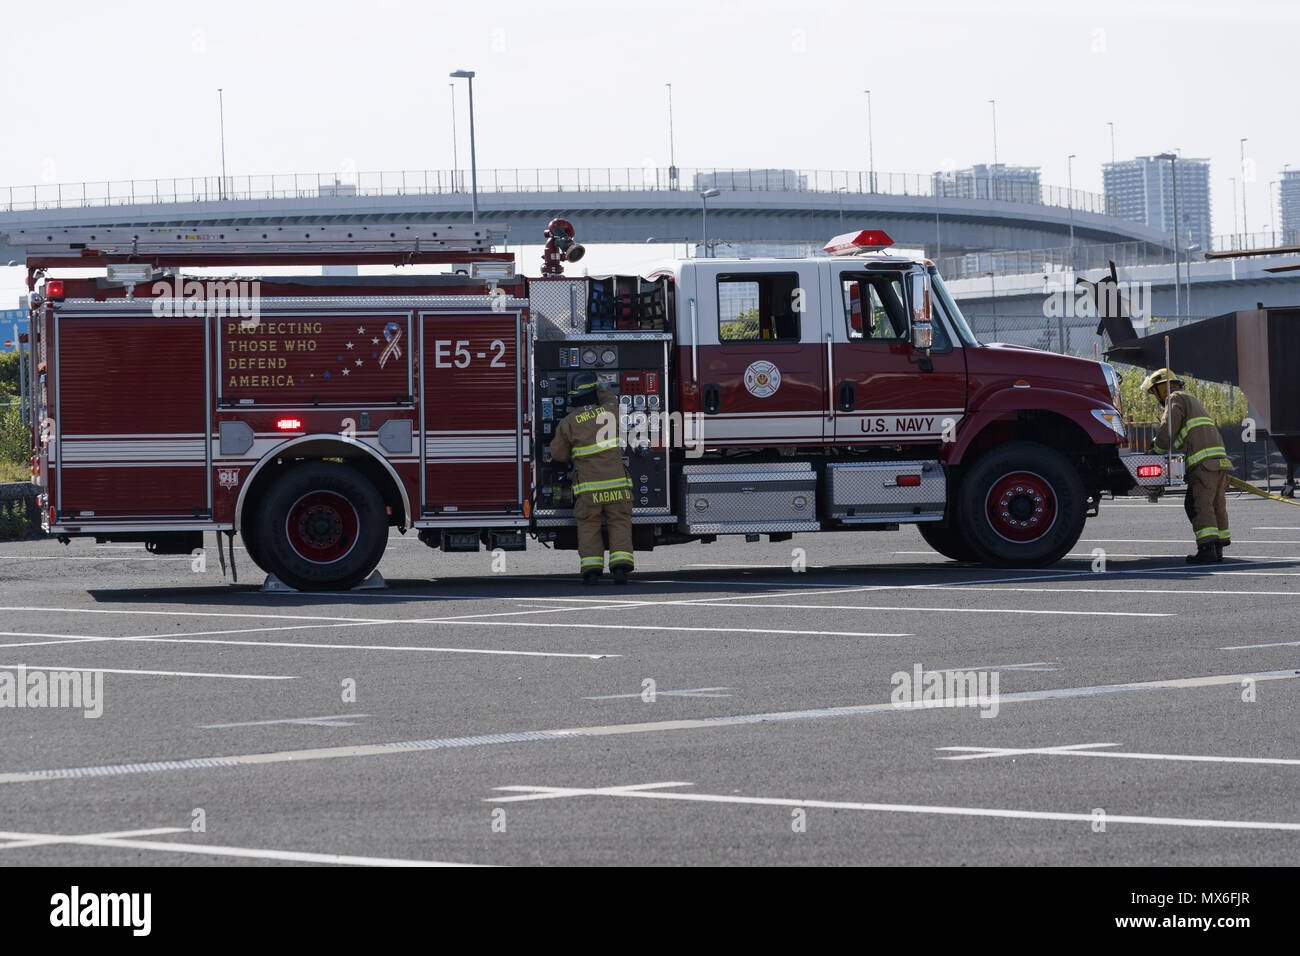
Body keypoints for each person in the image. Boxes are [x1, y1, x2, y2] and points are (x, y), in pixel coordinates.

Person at [549, 371, 635, 584]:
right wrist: (601, 388)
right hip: (618, 486)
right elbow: (613, 400)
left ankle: (592, 571)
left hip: (588, 489)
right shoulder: (610, 411)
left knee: (589, 525)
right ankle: (620, 568)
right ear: (595, 393)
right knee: (619, 522)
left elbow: (557, 454)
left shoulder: (568, 423)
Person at [1144, 368, 1232, 564]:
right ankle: (1217, 548)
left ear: (1161, 388)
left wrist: (1156, 450)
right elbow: (1185, 433)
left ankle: (1207, 548)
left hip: (1203, 464)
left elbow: (1169, 427)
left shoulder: (1174, 397)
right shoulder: (1191, 400)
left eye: (1154, 392)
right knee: (1215, 503)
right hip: (1219, 460)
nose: (1156, 397)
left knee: (1197, 504)